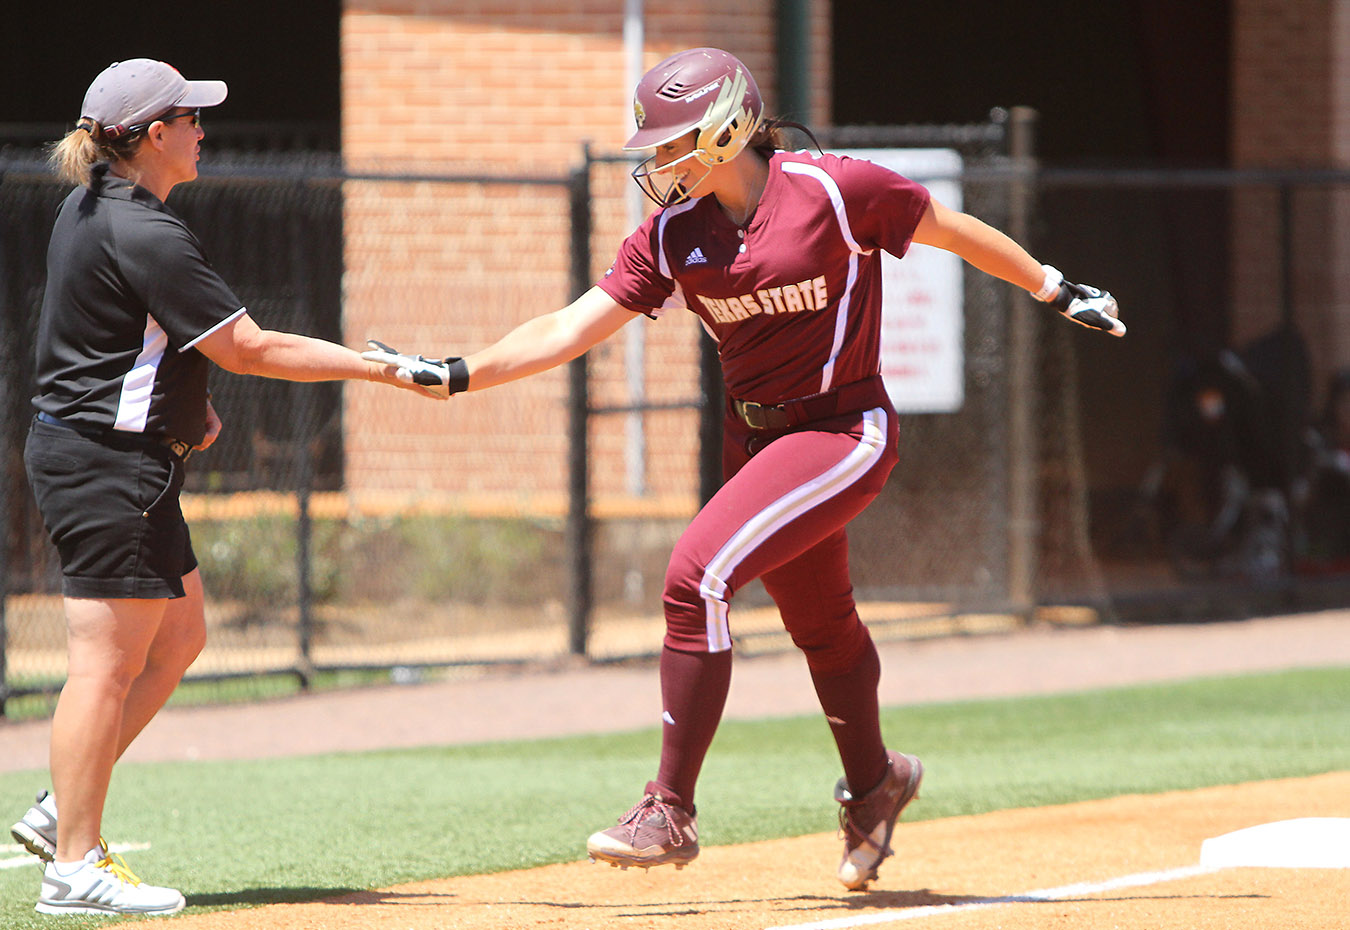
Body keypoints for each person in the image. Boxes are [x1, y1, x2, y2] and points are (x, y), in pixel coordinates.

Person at [365, 47, 1124, 890]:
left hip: (842, 433)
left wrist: (1056, 288)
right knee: (822, 624)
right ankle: (877, 786)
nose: (658, 161)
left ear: (727, 129)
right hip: (756, 446)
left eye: (672, 142)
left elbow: (952, 231)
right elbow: (569, 326)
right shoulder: (672, 231)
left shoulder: (835, 191)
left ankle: (669, 808)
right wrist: (462, 370)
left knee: (696, 577)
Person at [9, 59, 437, 918]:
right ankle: (73, 866)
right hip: (105, 464)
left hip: (123, 456)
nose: (204, 129)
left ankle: (67, 805)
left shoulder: (95, 209)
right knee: (104, 664)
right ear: (153, 135)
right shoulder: (142, 229)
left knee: (179, 639)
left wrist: (185, 407)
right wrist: (378, 368)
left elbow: (128, 339)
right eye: (190, 118)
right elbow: (250, 347)